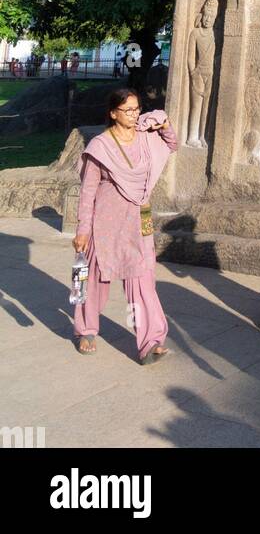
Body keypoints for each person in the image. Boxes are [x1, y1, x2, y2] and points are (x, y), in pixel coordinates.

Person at [72, 87, 177, 363]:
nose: (133, 114)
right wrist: (83, 229)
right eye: (127, 110)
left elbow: (172, 143)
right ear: (112, 113)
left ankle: (150, 340)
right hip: (104, 223)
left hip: (139, 218)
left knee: (142, 281)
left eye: (136, 108)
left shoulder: (145, 137)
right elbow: (87, 191)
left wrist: (162, 123)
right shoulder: (101, 146)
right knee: (92, 279)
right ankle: (86, 329)